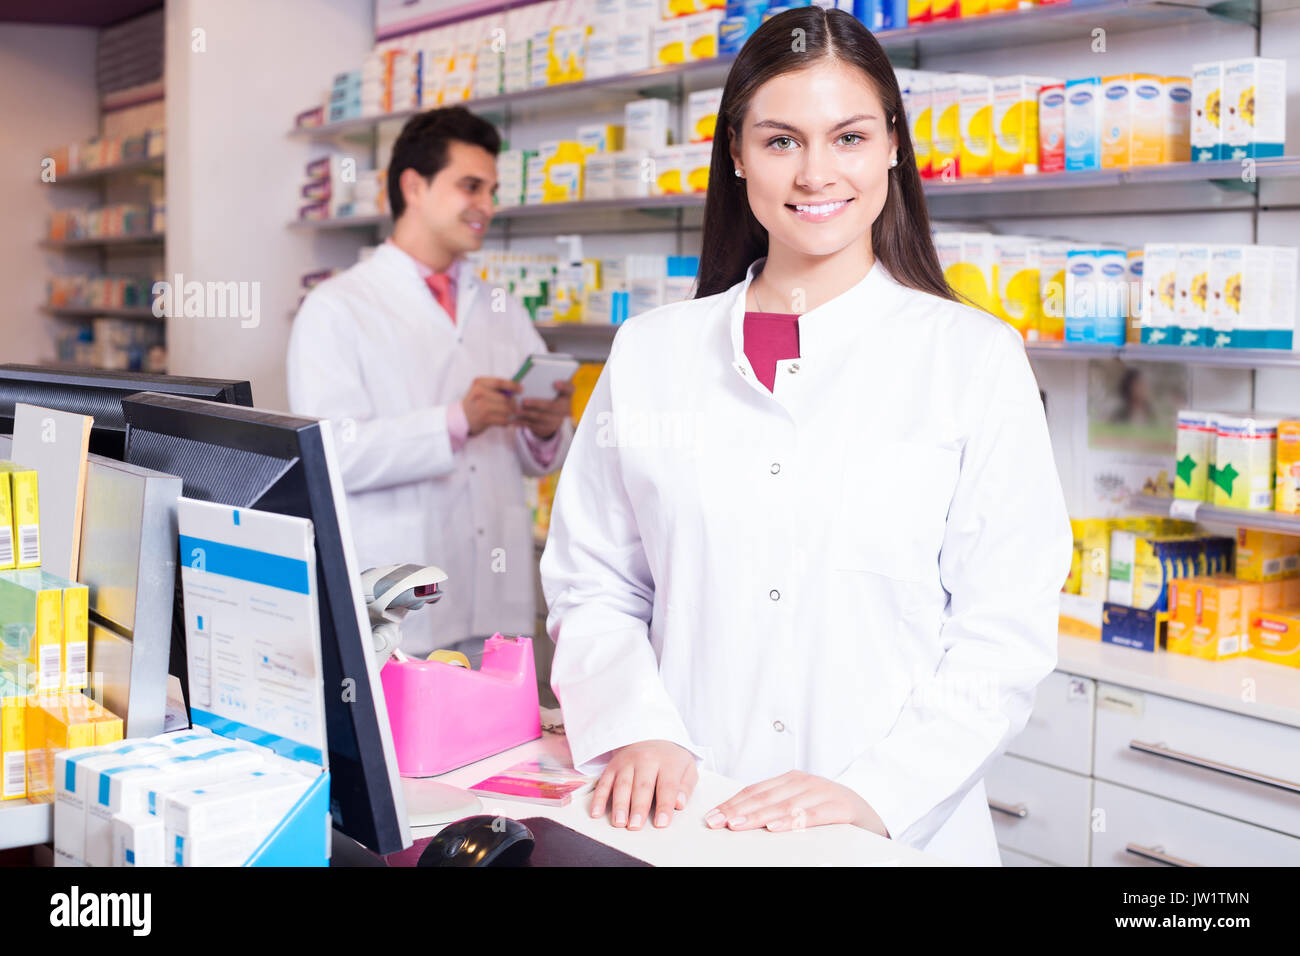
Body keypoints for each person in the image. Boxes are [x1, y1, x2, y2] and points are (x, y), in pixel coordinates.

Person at [539, 7, 1071, 866]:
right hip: (685, 816)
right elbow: (595, 580)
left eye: (850, 136)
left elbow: (1003, 629)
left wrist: (877, 789)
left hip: (892, 835)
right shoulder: (652, 355)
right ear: (738, 154)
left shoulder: (972, 358)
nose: (818, 172)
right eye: (781, 140)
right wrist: (637, 730)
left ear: (894, 147)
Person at [288, 107, 574, 663]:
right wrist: (455, 421)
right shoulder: (338, 307)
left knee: (497, 745)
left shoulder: (502, 308)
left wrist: (543, 429)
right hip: (399, 601)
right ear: (414, 186)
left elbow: (540, 459)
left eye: (491, 189)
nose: (487, 206)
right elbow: (333, 455)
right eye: (471, 186)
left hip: (493, 596)